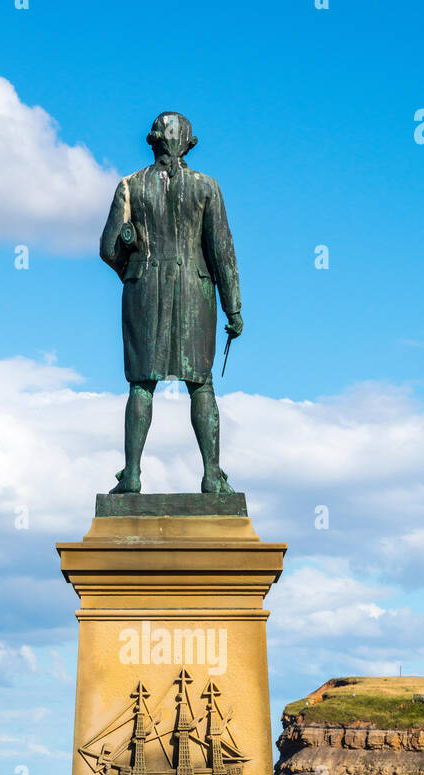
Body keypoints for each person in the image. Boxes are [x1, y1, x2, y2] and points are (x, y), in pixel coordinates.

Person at [100, 112, 243, 497]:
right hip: (195, 290)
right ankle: (212, 476)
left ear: (153, 140)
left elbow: (108, 248)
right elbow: (222, 252)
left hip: (144, 289)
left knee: (141, 385)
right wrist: (234, 308)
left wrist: (133, 263)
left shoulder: (129, 186)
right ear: (189, 143)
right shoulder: (207, 187)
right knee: (201, 384)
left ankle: (132, 474)